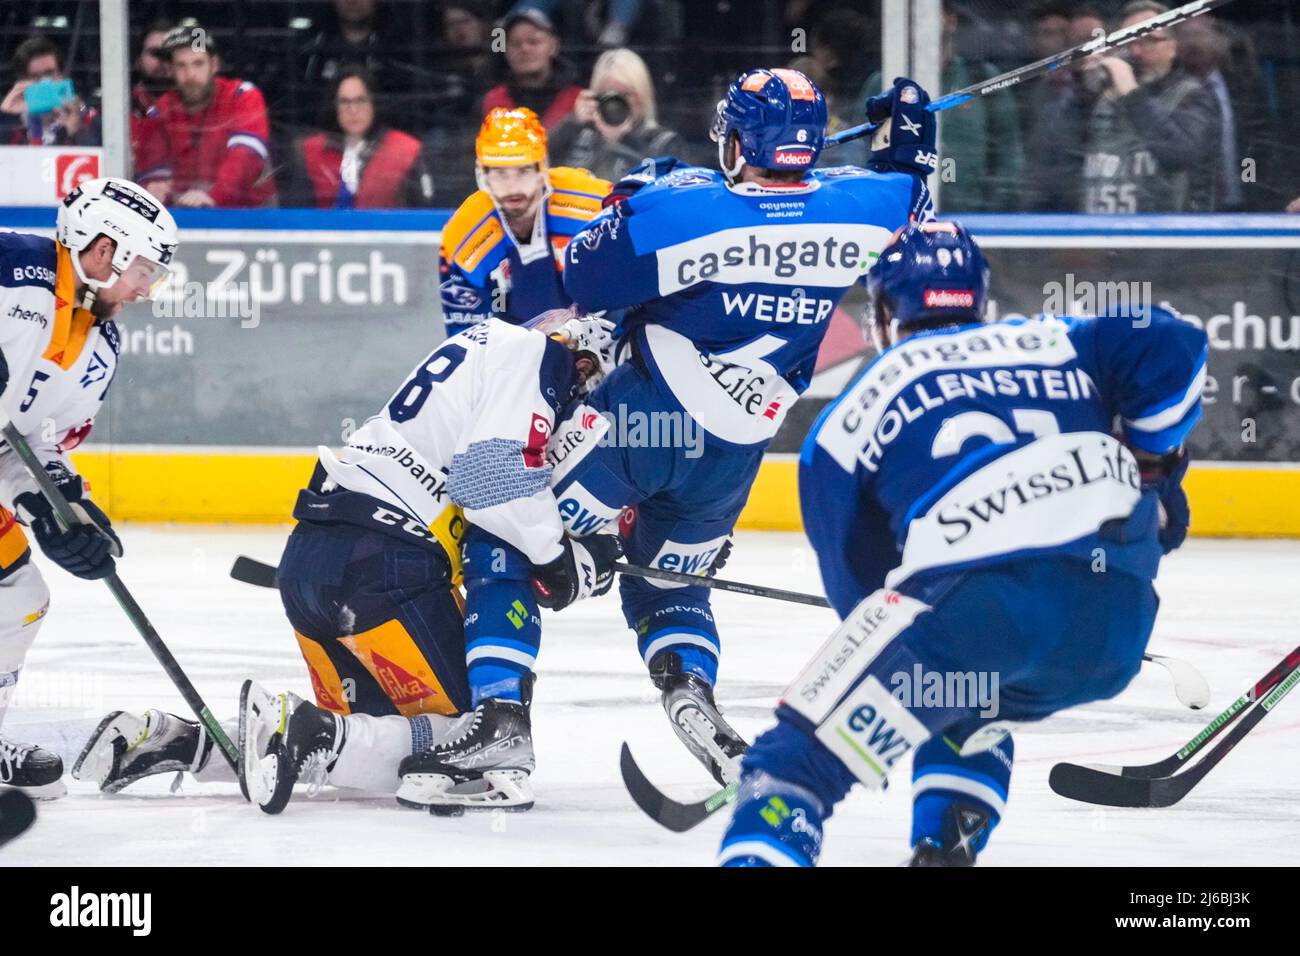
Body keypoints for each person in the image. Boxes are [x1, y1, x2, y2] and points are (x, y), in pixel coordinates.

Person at [715, 221, 1209, 867]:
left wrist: (883, 697)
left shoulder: (845, 419)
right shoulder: (1058, 340)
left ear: (884, 314)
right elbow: (1175, 342)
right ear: (979, 299)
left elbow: (863, 594)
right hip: (1116, 628)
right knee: (976, 694)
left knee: (795, 763)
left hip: (975, 612)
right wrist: (1154, 462)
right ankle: (945, 851)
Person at [529, 68, 935, 786]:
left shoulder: (683, 212)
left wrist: (631, 200)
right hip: (734, 454)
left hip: (638, 421)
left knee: (513, 544)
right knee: (671, 588)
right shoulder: (870, 205)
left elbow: (584, 278)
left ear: (740, 139)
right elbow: (913, 195)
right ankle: (689, 688)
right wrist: (909, 134)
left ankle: (494, 712)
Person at [74, 312, 623, 814]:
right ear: (584, 362)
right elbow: (491, 482)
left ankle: (186, 743)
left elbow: (485, 480)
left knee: (364, 745)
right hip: (383, 568)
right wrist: (555, 557)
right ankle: (300, 727)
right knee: (474, 739)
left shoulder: (482, 347)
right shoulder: (539, 359)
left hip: (314, 559)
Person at [0, 178, 179, 799]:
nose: (145, 289)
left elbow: (25, 443)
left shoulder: (100, 346)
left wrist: (58, 511)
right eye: (142, 269)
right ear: (102, 251)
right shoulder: (10, 264)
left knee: (18, 595)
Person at [438, 107, 609, 333]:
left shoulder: (592, 203)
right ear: (483, 174)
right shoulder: (463, 237)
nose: (513, 186)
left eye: (523, 171)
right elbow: (470, 341)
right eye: (500, 173)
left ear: (542, 168)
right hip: (517, 352)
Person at [864, 3, 1023, 212]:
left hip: (973, 218)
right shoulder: (883, 85)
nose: (919, 22)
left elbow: (1008, 153)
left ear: (951, 20)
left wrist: (993, 211)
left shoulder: (981, 79)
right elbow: (860, 151)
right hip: (897, 216)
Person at [1078, 1, 1221, 213]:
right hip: (1097, 232)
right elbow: (1062, 160)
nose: (1136, 51)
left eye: (1148, 40)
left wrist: (1131, 92)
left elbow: (1181, 154)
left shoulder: (1192, 95)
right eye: (1127, 42)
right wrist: (1081, 92)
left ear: (1172, 47)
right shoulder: (1100, 95)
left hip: (1162, 234)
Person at [134, 25, 277, 208]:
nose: (190, 74)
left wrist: (213, 197)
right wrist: (153, 188)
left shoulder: (242, 96)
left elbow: (245, 158)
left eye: (198, 63)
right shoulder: (160, 112)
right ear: (171, 70)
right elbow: (153, 171)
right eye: (181, 66)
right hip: (188, 217)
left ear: (214, 65)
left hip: (251, 219)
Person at [292, 67, 435, 209]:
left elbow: (422, 212)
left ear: (374, 103)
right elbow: (298, 213)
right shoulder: (311, 151)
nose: (353, 110)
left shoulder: (405, 149)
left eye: (361, 100)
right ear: (334, 106)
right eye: (344, 102)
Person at [547, 48, 690, 183]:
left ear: (642, 95)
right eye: (609, 95)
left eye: (625, 94)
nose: (617, 103)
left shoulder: (664, 143)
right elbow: (540, 167)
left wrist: (617, 143)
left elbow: (652, 193)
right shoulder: (580, 136)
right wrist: (571, 122)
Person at [480, 9, 583, 129]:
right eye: (515, 44)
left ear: (553, 46)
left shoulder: (578, 100)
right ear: (505, 52)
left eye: (533, 42)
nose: (524, 49)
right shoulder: (492, 100)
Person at [0, 35, 100, 147]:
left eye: (49, 74)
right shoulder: (11, 119)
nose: (44, 82)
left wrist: (77, 130)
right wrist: (5, 113)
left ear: (61, 75)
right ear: (22, 82)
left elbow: (105, 153)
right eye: (34, 77)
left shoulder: (81, 109)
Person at [130, 20, 174, 163]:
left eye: (168, 53)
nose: (162, 61)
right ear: (138, 61)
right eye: (154, 53)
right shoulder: (118, 114)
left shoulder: (199, 114)